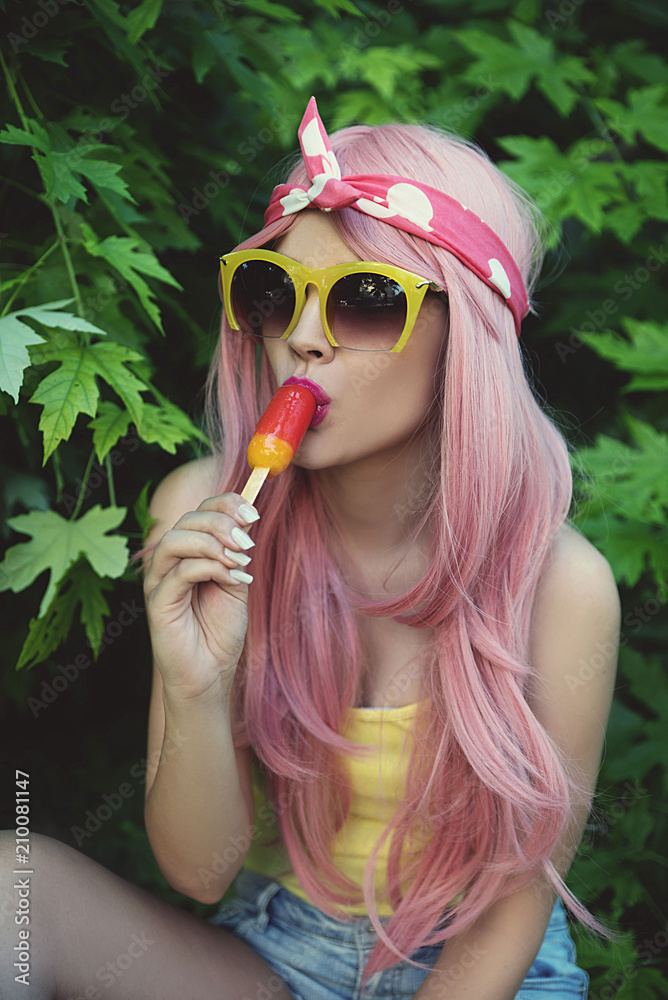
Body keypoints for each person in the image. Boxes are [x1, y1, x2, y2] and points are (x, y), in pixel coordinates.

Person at [0, 97, 621, 1000]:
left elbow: (513, 904)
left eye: (366, 301)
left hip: (481, 974)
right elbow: (201, 872)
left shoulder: (563, 585)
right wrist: (195, 686)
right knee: (16, 887)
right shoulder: (201, 512)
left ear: (469, 337)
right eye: (274, 292)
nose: (302, 336)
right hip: (272, 956)